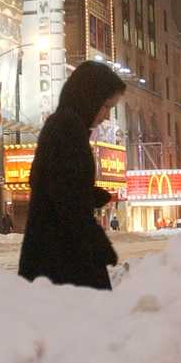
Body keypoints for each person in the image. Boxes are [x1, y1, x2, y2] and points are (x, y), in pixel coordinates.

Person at [19, 62, 126, 290]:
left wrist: (88, 193)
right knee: (88, 317)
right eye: (106, 106)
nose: (107, 116)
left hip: (54, 256)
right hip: (62, 257)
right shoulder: (67, 127)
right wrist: (99, 244)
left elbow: (52, 181)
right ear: (89, 98)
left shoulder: (65, 124)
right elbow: (67, 199)